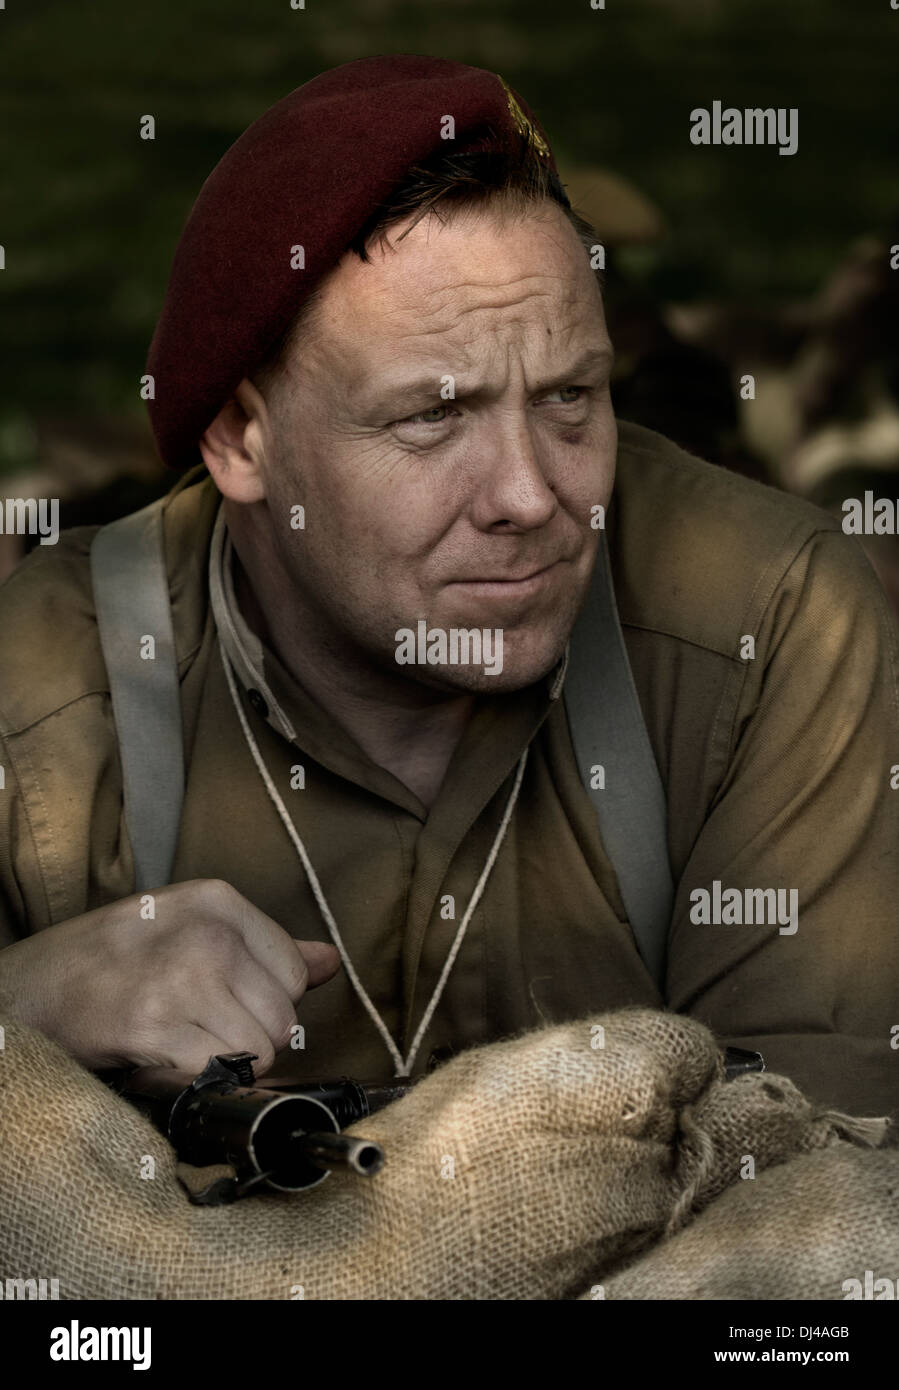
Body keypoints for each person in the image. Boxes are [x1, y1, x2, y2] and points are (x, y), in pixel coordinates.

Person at [0, 55, 896, 1121]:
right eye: (431, 415)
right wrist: (28, 1002)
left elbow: (803, 1191)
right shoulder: (44, 693)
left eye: (570, 397)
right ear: (241, 438)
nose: (528, 494)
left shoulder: (767, 620)